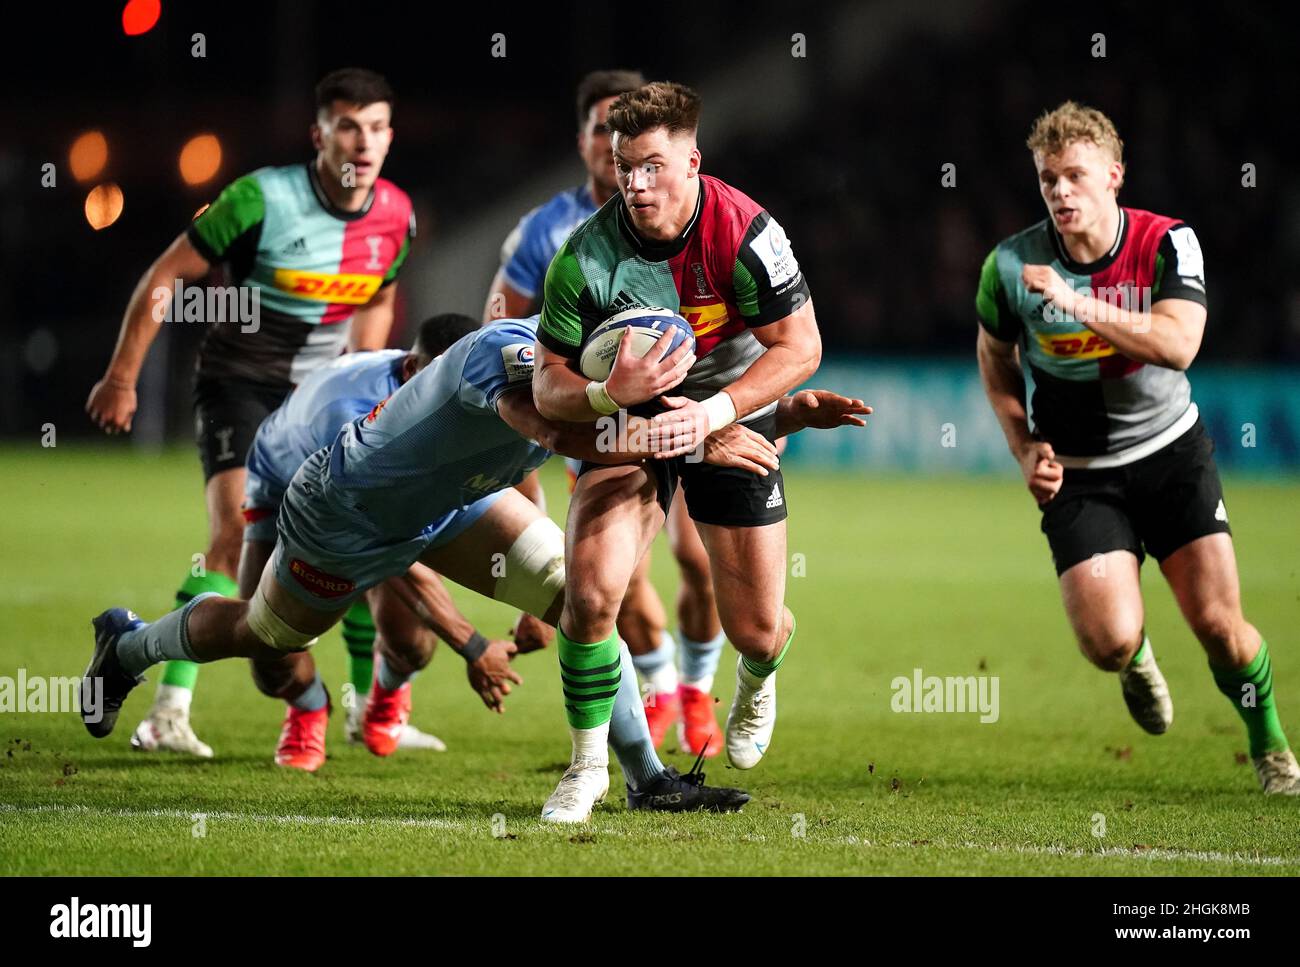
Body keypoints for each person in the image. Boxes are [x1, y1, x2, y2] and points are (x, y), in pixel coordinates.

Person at [85, 68, 414, 758]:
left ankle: (364, 707)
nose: (364, 142)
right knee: (232, 543)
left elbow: (380, 294)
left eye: (377, 127)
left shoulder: (396, 215)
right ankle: (168, 713)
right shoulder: (260, 198)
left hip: (321, 400)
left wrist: (365, 370)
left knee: (358, 538)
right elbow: (167, 274)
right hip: (242, 386)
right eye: (349, 126)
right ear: (319, 133)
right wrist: (122, 375)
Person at [975, 101, 1298, 794]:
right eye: (1047, 179)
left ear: (1114, 175)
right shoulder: (1009, 266)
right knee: (1107, 642)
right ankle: (1136, 658)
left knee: (1221, 628)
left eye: (1075, 176)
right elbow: (995, 358)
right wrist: (1024, 444)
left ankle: (1267, 740)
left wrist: (1077, 301)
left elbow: (1179, 345)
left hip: (1170, 456)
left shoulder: (1167, 242)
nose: (1061, 192)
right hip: (1082, 475)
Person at [532, 81, 824, 822]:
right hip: (632, 425)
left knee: (755, 626)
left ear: (693, 161)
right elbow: (546, 386)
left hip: (728, 412)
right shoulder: (584, 258)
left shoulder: (748, 232)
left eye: (654, 166)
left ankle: (757, 679)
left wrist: (716, 413)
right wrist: (608, 394)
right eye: (626, 166)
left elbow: (802, 346)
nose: (636, 184)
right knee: (593, 591)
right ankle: (587, 766)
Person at [485, 69, 728, 756]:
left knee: (698, 559)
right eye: (600, 131)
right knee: (618, 578)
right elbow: (498, 328)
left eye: (632, 145)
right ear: (589, 140)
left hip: (687, 404)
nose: (611, 149)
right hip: (591, 414)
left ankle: (694, 692)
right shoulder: (549, 233)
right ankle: (653, 694)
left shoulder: (691, 216)